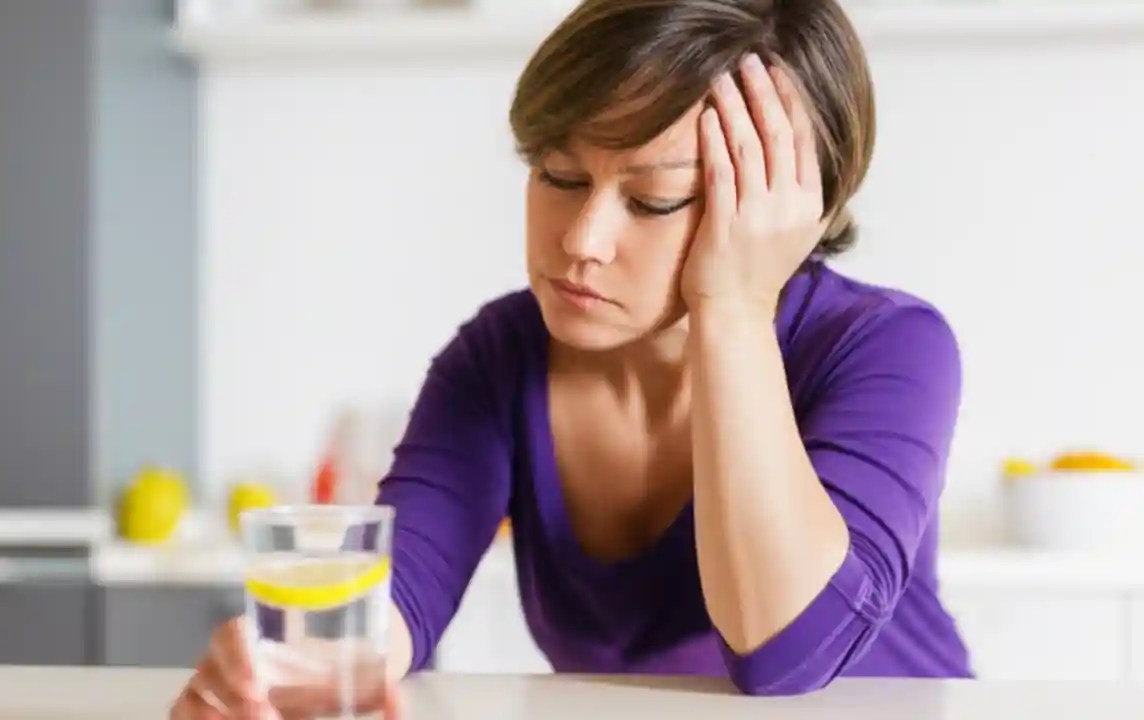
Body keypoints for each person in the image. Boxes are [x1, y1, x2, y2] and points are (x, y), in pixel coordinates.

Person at [172, 0, 972, 716]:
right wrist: (301, 672)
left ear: (795, 206)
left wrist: (732, 307)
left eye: (654, 200)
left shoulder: (888, 347)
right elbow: (403, 590)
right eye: (559, 174)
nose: (581, 241)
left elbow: (787, 653)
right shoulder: (499, 357)